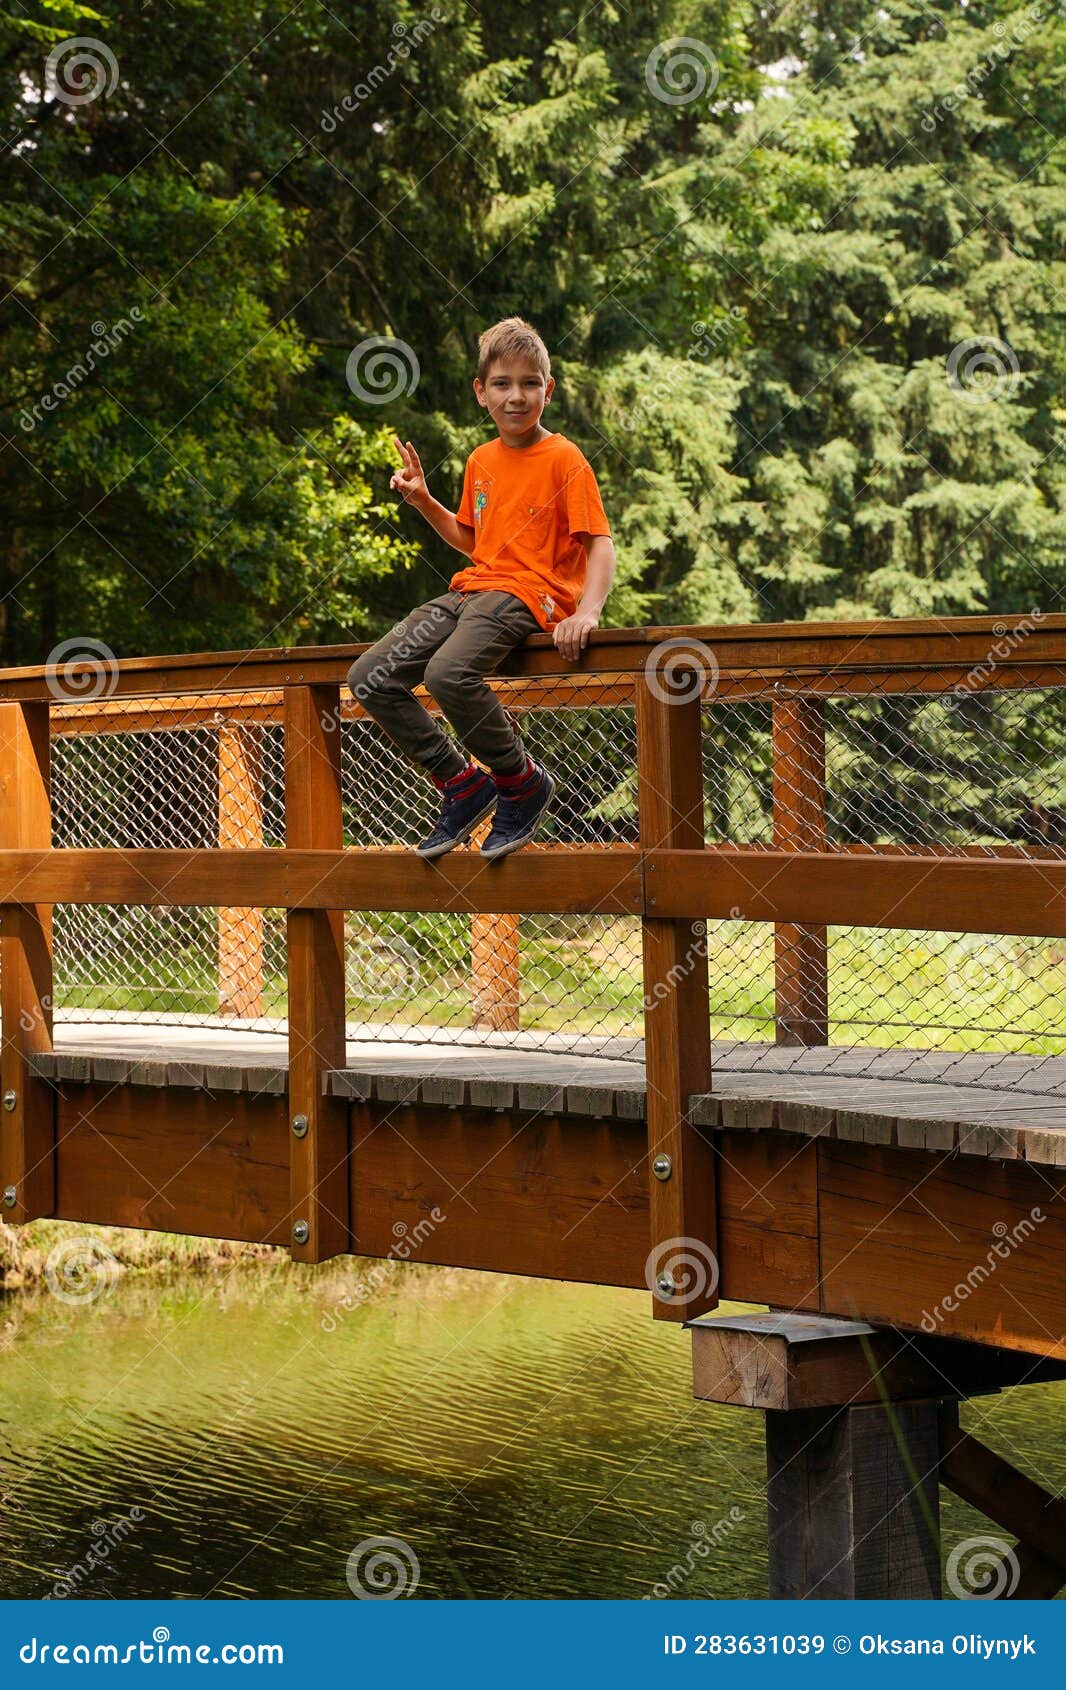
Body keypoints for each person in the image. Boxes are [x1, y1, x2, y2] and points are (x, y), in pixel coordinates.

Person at [348, 316, 616, 860]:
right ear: (481, 392)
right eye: (502, 383)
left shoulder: (565, 458)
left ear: (549, 388)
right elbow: (474, 540)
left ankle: (520, 781)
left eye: (529, 383)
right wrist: (424, 501)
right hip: (473, 589)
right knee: (369, 676)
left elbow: (601, 543)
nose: (516, 396)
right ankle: (463, 785)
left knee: (447, 673)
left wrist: (587, 611)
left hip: (528, 595)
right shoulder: (481, 460)